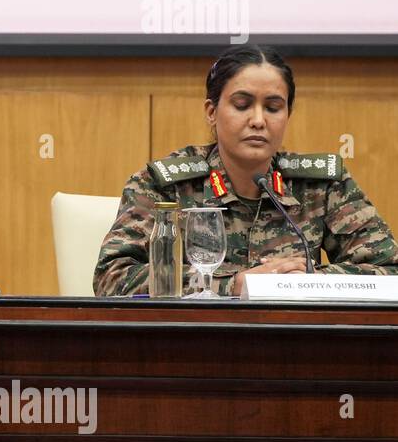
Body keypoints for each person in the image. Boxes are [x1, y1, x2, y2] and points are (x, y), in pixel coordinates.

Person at [95, 45, 397, 297]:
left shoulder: (322, 186)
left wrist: (306, 278)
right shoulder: (164, 186)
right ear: (212, 113)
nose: (258, 120)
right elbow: (112, 277)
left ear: (287, 115)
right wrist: (234, 285)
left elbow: (389, 270)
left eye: (273, 107)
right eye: (242, 105)